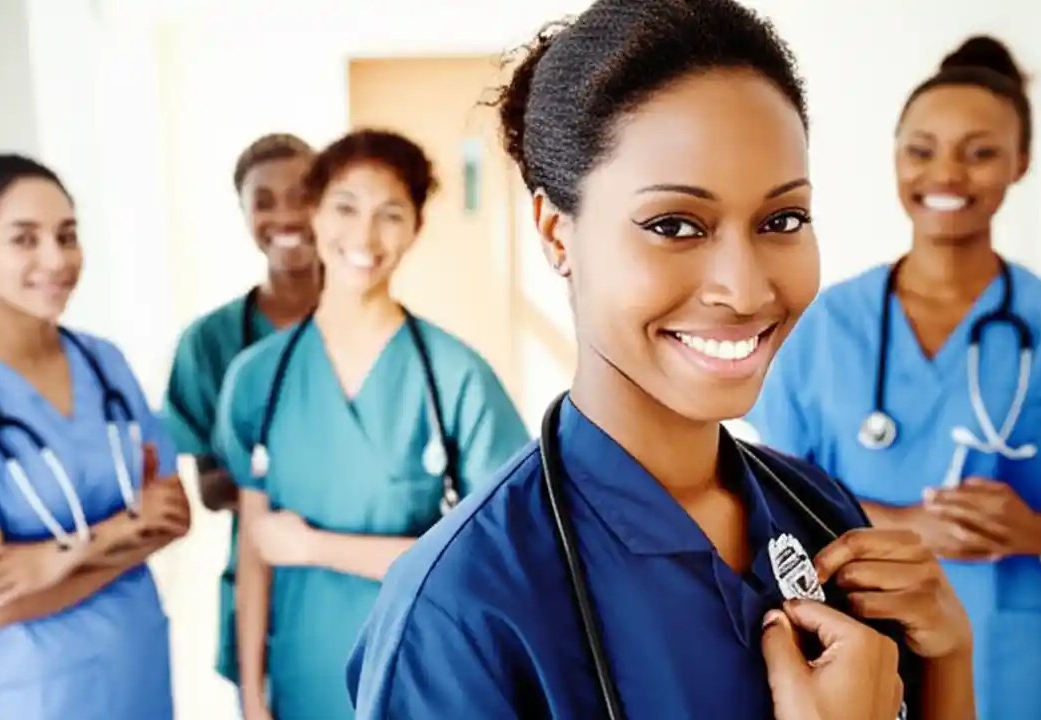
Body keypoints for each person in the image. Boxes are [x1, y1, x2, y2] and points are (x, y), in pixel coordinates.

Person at [346, 2, 976, 719]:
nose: (745, 290)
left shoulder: (819, 512)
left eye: (782, 220)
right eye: (675, 225)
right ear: (556, 233)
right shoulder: (455, 613)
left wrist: (949, 658)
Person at [748, 35, 1041, 720]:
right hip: (861, 642)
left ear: (1020, 162)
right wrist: (904, 525)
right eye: (922, 150)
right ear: (896, 156)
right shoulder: (822, 324)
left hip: (1013, 658)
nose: (947, 173)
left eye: (980, 152)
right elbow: (768, 500)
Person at [213, 129, 529, 720]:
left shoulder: (455, 377)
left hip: (424, 681)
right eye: (345, 207)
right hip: (301, 684)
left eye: (390, 214)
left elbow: (487, 557)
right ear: (313, 212)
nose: (364, 236)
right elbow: (254, 554)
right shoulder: (258, 378)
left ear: (416, 228)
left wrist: (314, 547)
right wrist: (252, 698)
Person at [0, 153, 190, 720]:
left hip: (138, 676)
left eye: (67, 236)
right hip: (32, 696)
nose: (56, 259)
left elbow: (173, 517)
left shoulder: (105, 363)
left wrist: (52, 561)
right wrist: (121, 532)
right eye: (24, 239)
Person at [160, 132, 321, 687]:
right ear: (244, 214)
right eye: (264, 201)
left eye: (303, 195)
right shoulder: (209, 343)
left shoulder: (379, 332)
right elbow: (209, 488)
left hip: (369, 581)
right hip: (263, 585)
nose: (286, 215)